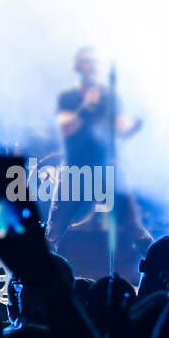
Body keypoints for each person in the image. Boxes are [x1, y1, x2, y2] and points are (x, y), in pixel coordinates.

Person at [47, 46, 151, 261]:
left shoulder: (109, 96)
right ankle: (33, 281)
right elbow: (66, 127)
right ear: (78, 66)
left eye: (95, 61)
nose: (92, 65)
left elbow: (121, 129)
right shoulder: (69, 96)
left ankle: (163, 273)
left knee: (134, 226)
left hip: (106, 170)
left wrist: (138, 123)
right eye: (87, 61)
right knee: (54, 231)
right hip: (76, 171)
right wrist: (86, 107)